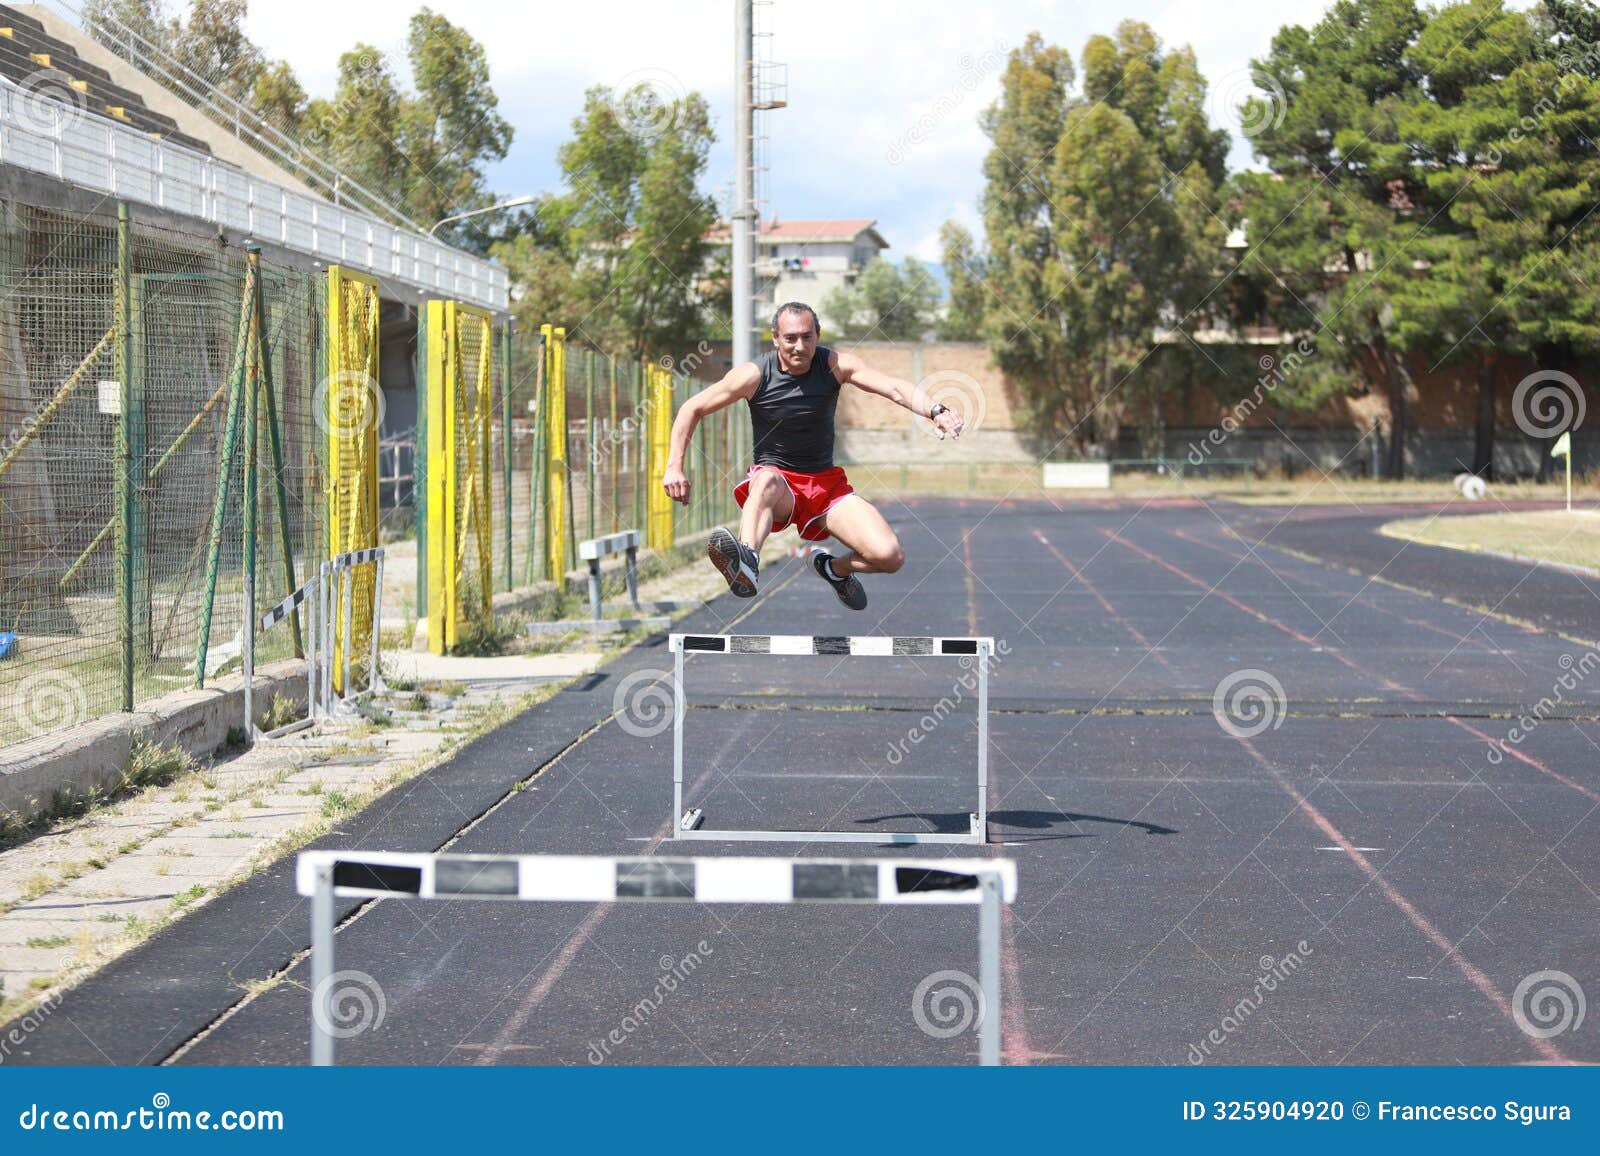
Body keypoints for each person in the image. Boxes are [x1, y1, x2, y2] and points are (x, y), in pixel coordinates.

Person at [661, 301, 964, 609]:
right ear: (776, 338)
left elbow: (892, 388)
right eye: (790, 338)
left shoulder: (834, 364)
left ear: (818, 336)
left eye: (807, 337)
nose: (799, 346)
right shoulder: (754, 375)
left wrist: (935, 410)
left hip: (826, 488)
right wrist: (674, 467)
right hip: (781, 487)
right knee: (765, 480)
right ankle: (747, 560)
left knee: (889, 556)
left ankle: (834, 570)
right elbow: (692, 408)